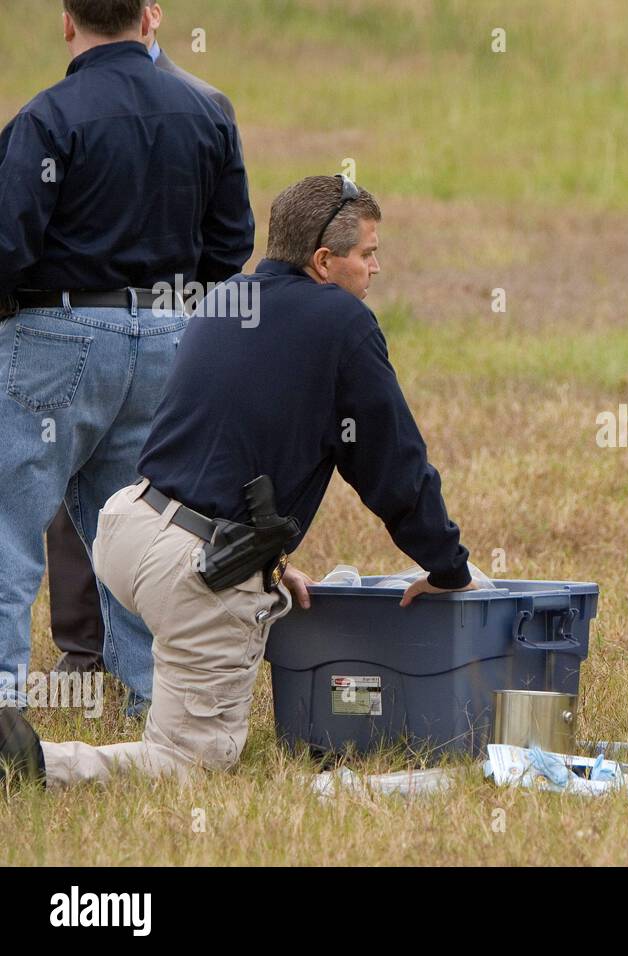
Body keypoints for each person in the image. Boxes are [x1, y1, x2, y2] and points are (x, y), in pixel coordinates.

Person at [0, 175, 476, 789]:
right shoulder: (343, 324)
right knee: (192, 764)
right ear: (325, 261)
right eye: (368, 253)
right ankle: (29, 764)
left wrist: (266, 564)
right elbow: (394, 466)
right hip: (196, 566)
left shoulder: (226, 297)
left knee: (195, 676)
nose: (377, 268)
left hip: (128, 526)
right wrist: (448, 567)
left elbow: (223, 439)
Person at [0, 0, 253, 711]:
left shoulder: (46, 118)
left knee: (8, 535)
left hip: (58, 340)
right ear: (150, 19)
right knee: (143, 534)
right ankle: (158, 707)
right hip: (169, 342)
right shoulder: (209, 110)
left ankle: (3, 714)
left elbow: (7, 246)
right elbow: (232, 245)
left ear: (66, 21)